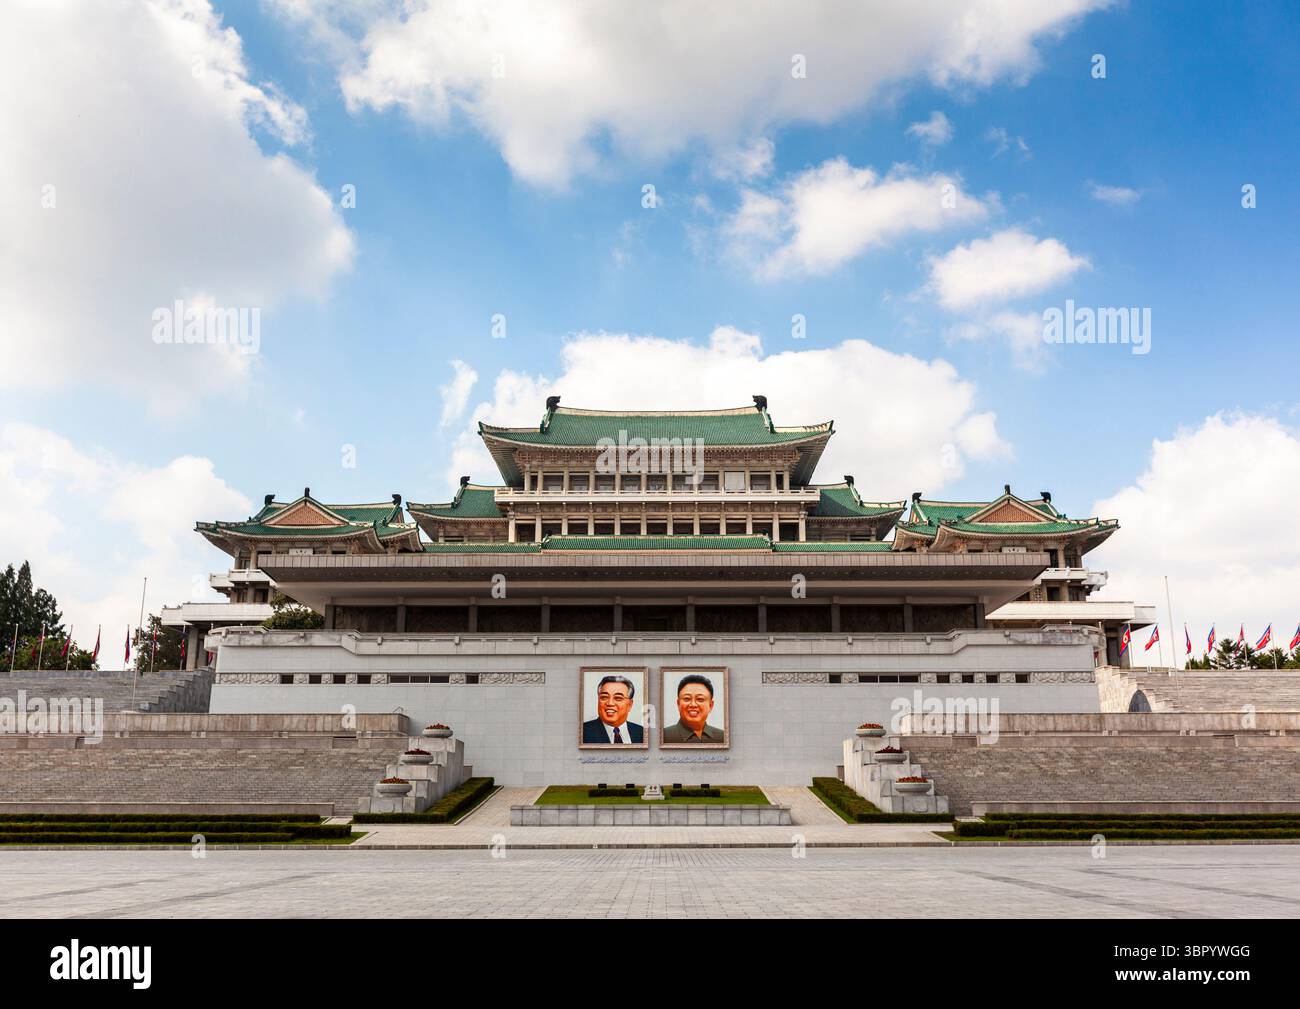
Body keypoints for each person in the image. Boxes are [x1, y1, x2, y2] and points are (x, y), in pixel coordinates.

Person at [662, 673, 725, 744]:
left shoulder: (723, 737)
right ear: (678, 704)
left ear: (710, 705)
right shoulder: (663, 737)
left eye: (700, 699)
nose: (693, 704)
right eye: (687, 699)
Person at [582, 674, 643, 744]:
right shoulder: (583, 732)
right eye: (604, 697)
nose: (610, 703)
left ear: (629, 705)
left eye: (618, 698)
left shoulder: (642, 733)